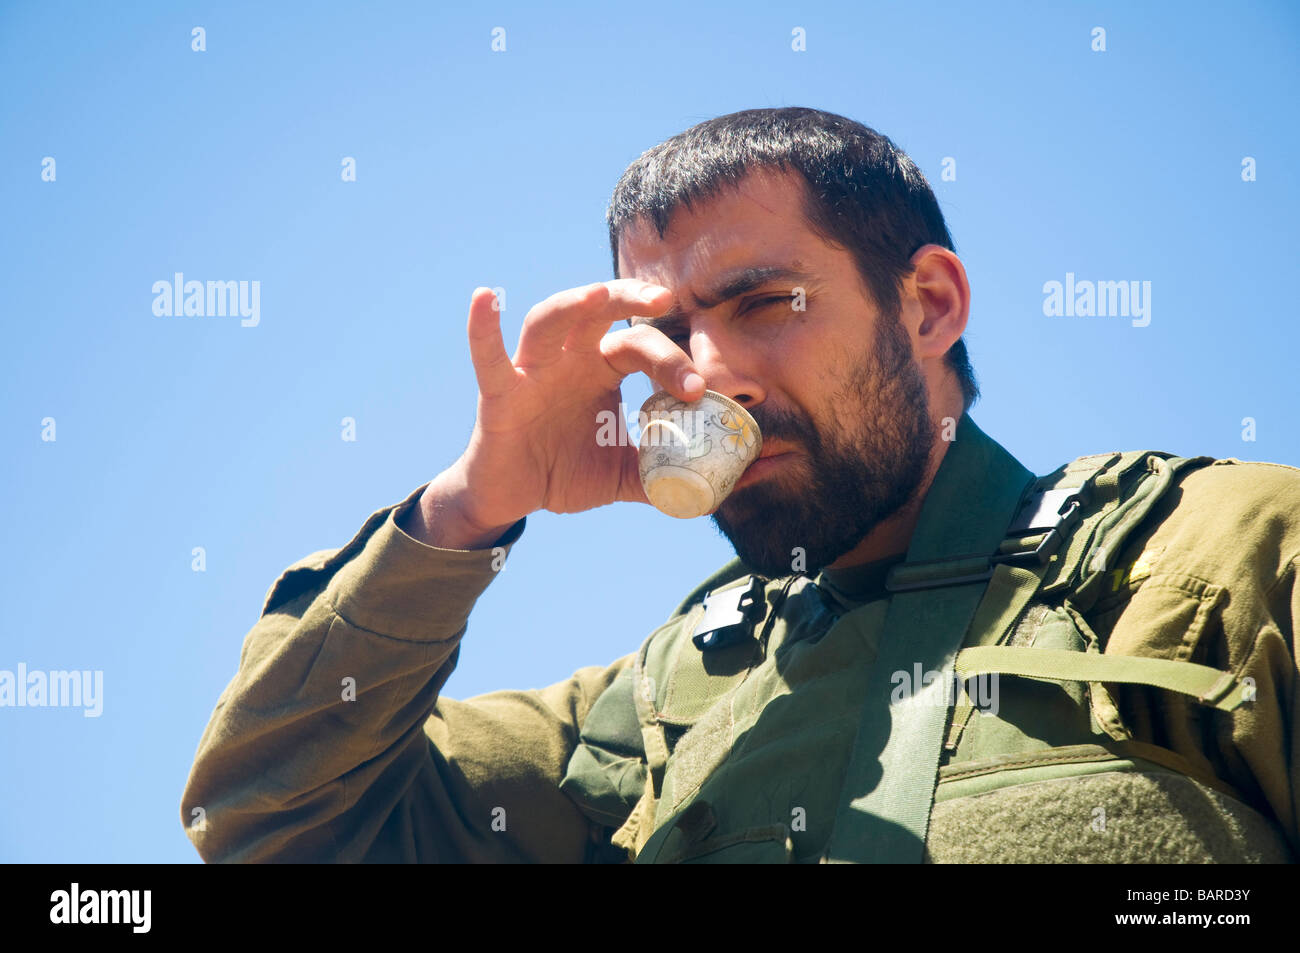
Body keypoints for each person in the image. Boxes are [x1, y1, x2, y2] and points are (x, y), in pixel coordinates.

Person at [181, 107, 1300, 863]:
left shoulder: (1214, 556)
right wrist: (473, 506)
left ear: (928, 305)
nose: (707, 378)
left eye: (766, 303)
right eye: (665, 335)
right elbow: (267, 821)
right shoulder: (646, 716)